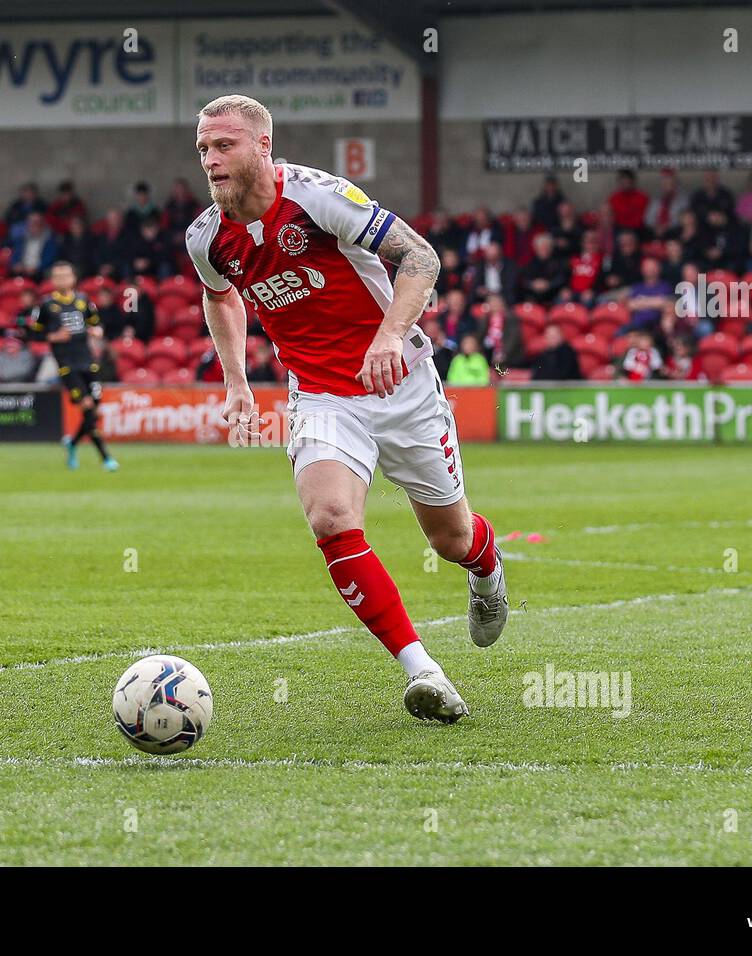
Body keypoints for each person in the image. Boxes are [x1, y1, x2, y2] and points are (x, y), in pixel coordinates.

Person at [186, 93, 508, 724]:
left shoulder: (319, 197)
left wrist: (388, 334)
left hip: (401, 383)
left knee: (452, 539)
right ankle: (424, 672)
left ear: (262, 146)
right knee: (330, 516)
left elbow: (422, 258)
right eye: (203, 149)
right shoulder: (207, 237)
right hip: (322, 396)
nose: (212, 160)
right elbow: (220, 297)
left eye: (224, 145)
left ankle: (488, 570)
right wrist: (236, 380)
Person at [32, 260, 117, 471]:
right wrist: (53, 336)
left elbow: (95, 323)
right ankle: (106, 457)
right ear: (52, 280)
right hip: (67, 364)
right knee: (87, 407)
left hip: (88, 361)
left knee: (93, 412)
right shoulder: (46, 305)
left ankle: (72, 443)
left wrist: (97, 331)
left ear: (73, 278)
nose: (62, 279)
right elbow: (32, 332)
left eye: (65, 275)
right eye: (57, 276)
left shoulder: (83, 300)